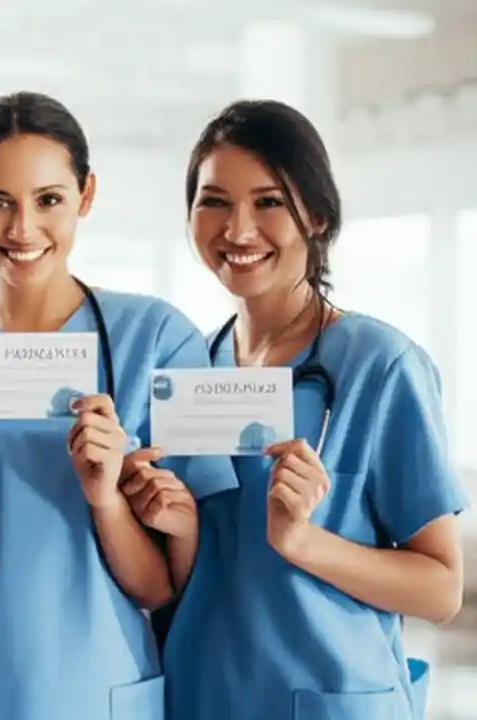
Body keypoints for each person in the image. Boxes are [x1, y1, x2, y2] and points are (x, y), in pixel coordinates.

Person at [0, 92, 237, 719]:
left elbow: (164, 584)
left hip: (99, 689)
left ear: (87, 195)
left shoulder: (156, 340)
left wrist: (106, 496)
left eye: (49, 199)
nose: (23, 229)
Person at [160, 99, 467, 720]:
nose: (237, 230)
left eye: (269, 202)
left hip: (329, 697)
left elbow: (441, 590)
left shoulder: (379, 364)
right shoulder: (190, 370)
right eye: (214, 201)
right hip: (202, 692)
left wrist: (304, 541)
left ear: (317, 216)